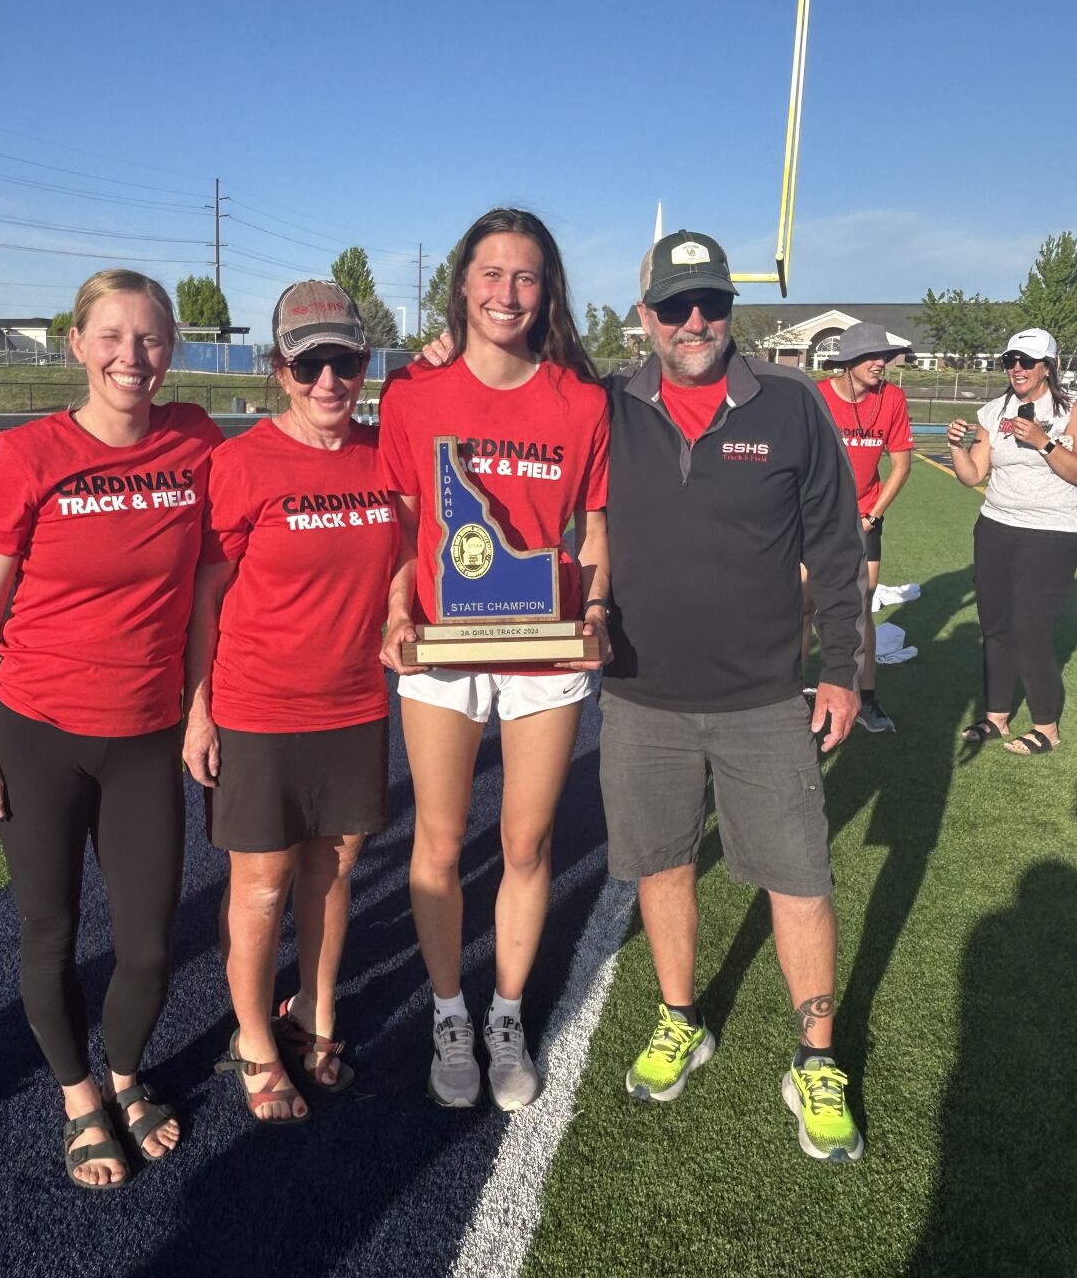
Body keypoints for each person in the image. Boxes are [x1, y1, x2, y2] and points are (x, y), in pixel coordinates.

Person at [601, 229, 867, 1163]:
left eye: (708, 301)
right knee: (665, 863)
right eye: (673, 306)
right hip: (639, 696)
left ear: (729, 308)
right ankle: (682, 1017)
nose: (693, 321)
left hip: (764, 696)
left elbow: (837, 546)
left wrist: (839, 667)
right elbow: (505, 403)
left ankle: (815, 1055)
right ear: (645, 319)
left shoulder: (790, 407)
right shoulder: (605, 409)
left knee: (799, 875)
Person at [0, 268, 222, 1189]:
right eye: (111, 336)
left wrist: (198, 706)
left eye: (149, 339)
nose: (131, 357)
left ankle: (123, 1074)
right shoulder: (26, 454)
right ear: (76, 343)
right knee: (50, 931)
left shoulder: (194, 439)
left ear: (171, 348)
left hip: (145, 733)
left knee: (149, 940)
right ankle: (78, 1097)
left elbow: (316, 439)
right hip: (38, 730)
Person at [379, 207, 611, 1112]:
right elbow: (403, 526)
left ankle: (504, 1013)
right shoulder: (412, 395)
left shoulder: (579, 402)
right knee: (437, 842)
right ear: (462, 284)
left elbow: (594, 525)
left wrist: (593, 604)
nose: (506, 292)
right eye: (490, 273)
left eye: (525, 276)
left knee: (525, 840)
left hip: (542, 648)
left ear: (546, 289)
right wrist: (399, 607)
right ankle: (449, 1011)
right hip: (442, 647)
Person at [183, 282, 403, 1123]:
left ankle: (317, 1011)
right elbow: (205, 598)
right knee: (264, 881)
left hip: (353, 704)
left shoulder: (385, 455)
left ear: (363, 364)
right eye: (309, 363)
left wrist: (396, 609)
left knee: (334, 869)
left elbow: (407, 559)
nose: (328, 381)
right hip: (259, 706)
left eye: (344, 361)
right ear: (279, 369)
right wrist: (197, 710)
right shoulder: (239, 465)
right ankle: (253, 1037)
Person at [948, 328, 1077, 755]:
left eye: (1025, 360)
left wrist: (1042, 442)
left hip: (1052, 532)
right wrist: (956, 449)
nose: (1016, 368)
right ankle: (997, 717)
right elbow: (972, 476)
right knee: (996, 626)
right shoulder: (993, 411)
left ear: (1047, 367)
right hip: (996, 526)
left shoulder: (1071, 410)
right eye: (1010, 361)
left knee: (1030, 630)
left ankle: (1046, 727)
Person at [802, 322, 914, 733]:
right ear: (847, 362)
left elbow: (901, 466)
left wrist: (871, 516)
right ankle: (795, 693)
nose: (880, 362)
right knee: (803, 605)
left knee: (860, 609)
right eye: (870, 356)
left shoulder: (893, 399)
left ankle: (867, 698)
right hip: (814, 519)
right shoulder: (814, 395)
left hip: (866, 517)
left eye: (883, 355)